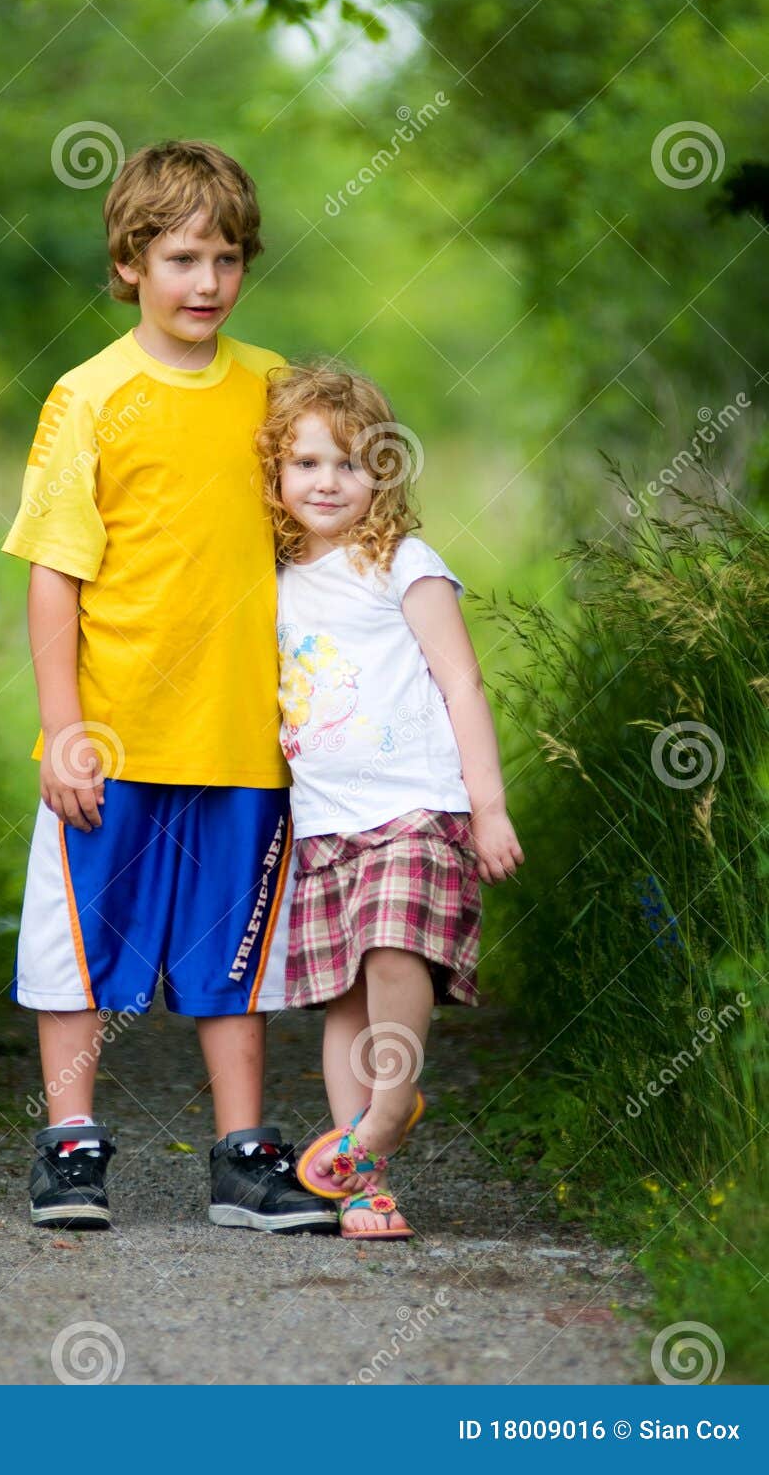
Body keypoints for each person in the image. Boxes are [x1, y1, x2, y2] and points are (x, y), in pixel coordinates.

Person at [0, 140, 336, 1236]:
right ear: (130, 261)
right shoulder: (89, 397)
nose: (206, 282)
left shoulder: (273, 387)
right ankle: (71, 1146)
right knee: (81, 950)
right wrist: (62, 731)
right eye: (182, 256)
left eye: (227, 257)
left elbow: (317, 546)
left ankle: (243, 1157)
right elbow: (56, 573)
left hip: (245, 737)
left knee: (231, 958)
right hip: (119, 736)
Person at [253, 360, 524, 1240]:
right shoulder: (277, 577)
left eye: (349, 463)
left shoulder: (405, 563)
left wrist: (487, 807)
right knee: (342, 1000)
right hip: (325, 821)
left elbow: (462, 683)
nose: (326, 482)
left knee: (391, 951)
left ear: (384, 472)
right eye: (305, 464)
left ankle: (380, 1117)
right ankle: (363, 1179)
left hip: (415, 806)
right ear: (274, 477)